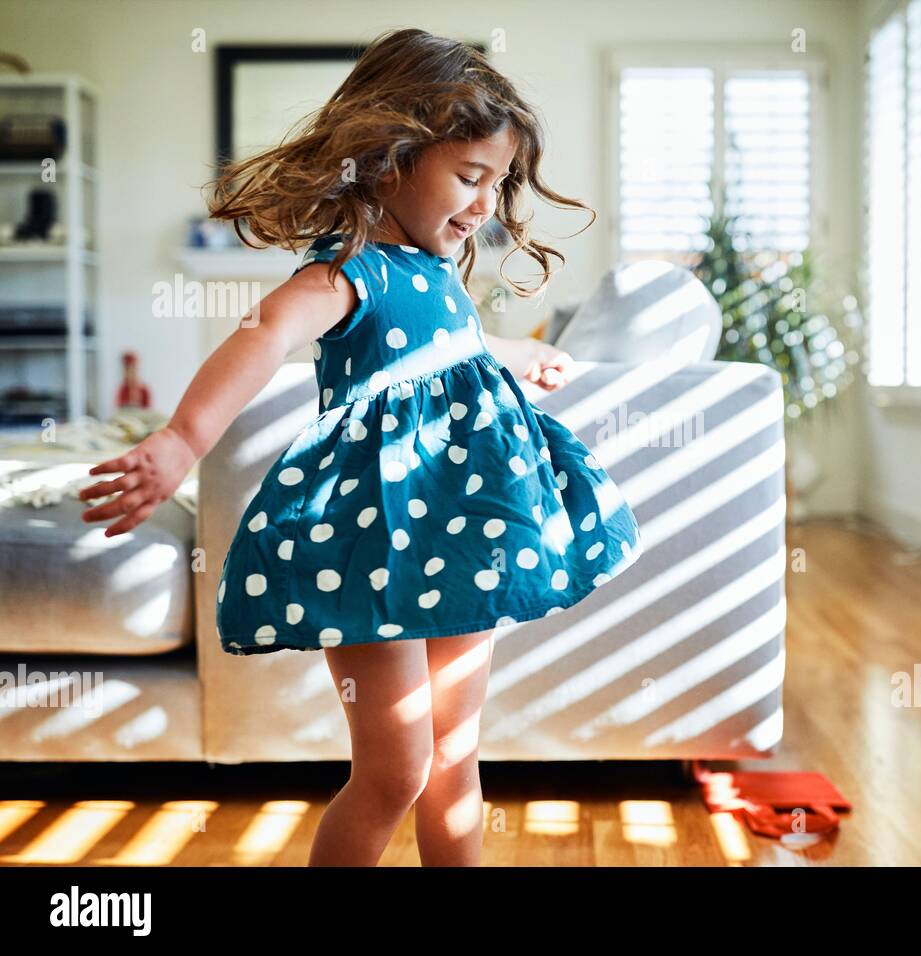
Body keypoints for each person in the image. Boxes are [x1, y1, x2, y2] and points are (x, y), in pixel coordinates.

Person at [76, 29, 642, 867]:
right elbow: (264, 333)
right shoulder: (348, 271)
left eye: (497, 184)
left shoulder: (441, 272)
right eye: (470, 177)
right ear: (387, 159)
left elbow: (454, 348)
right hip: (375, 542)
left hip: (473, 529)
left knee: (453, 760)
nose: (486, 206)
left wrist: (515, 358)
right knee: (396, 769)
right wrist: (181, 439)